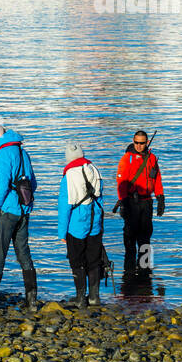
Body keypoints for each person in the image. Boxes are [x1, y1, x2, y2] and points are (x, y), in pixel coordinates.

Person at [0, 124, 38, 312]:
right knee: (24, 253)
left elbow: (1, 185)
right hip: (23, 210)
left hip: (7, 210)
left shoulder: (2, 154)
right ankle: (32, 300)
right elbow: (33, 182)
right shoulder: (22, 152)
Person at [57, 143, 106, 308]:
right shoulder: (94, 169)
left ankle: (80, 297)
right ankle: (94, 297)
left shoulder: (68, 176)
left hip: (77, 224)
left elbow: (64, 207)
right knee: (94, 259)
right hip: (95, 221)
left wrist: (62, 232)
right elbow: (100, 198)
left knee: (76, 260)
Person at [115, 130, 164, 273]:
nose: (138, 146)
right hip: (131, 202)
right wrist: (124, 203)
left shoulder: (152, 158)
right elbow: (121, 183)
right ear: (133, 141)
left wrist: (160, 198)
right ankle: (129, 273)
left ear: (147, 143)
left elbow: (157, 179)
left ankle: (145, 272)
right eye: (136, 142)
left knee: (145, 238)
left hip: (146, 203)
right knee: (130, 238)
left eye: (142, 143)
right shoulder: (127, 159)